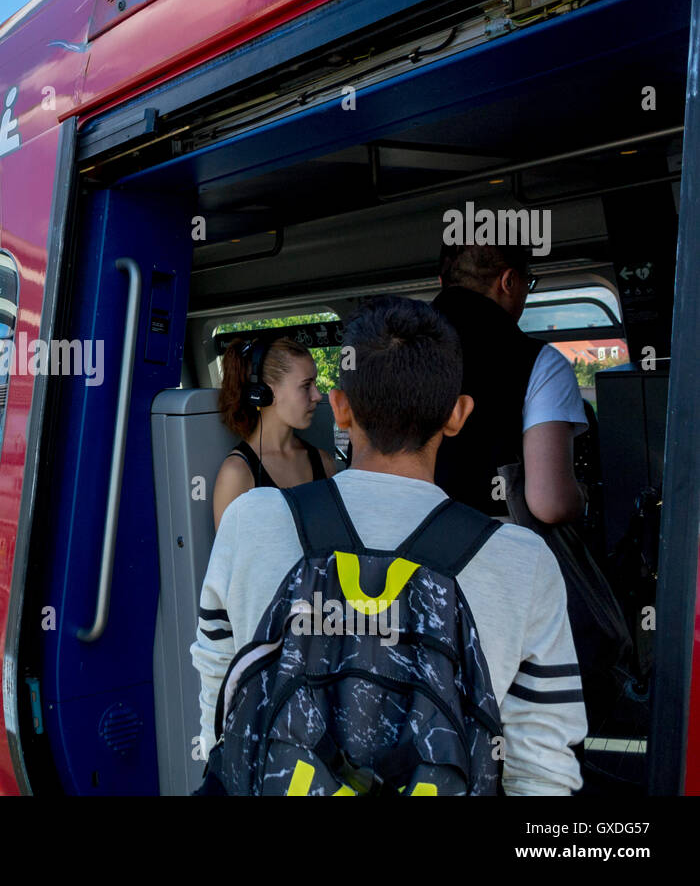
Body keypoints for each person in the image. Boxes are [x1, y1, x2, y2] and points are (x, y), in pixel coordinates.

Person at [192, 297, 586, 794]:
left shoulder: (251, 520)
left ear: (341, 407)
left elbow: (218, 686)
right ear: (458, 415)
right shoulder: (523, 560)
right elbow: (543, 769)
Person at [432, 241, 585, 522]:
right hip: (496, 547)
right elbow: (551, 504)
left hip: (398, 546)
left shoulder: (390, 349)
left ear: (442, 282)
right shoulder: (540, 361)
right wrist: (582, 497)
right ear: (509, 281)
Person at [212, 337, 335, 530]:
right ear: (266, 391)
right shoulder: (237, 474)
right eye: (306, 386)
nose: (318, 396)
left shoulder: (324, 462)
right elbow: (231, 558)